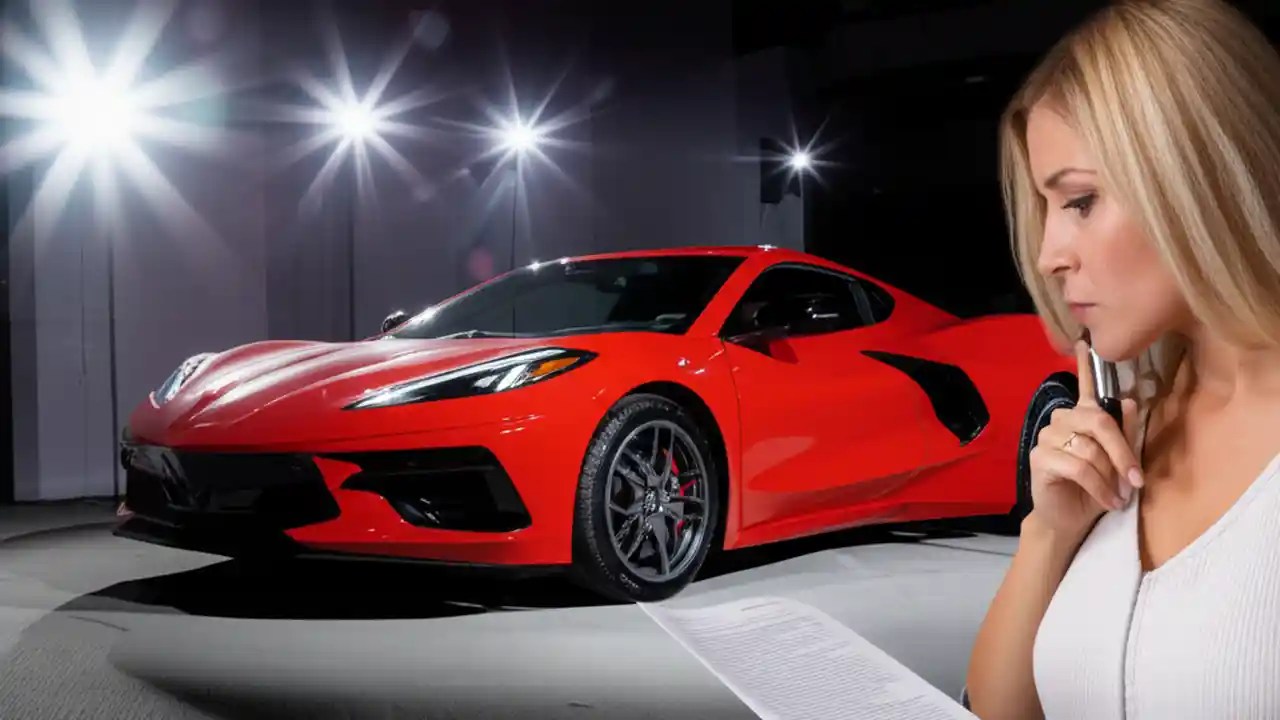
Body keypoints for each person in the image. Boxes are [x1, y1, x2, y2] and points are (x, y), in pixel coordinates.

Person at [964, 1, 1280, 718]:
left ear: (1199, 178)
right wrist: (1049, 534)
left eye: (1078, 201)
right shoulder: (1129, 420)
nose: (1048, 257)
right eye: (1046, 211)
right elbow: (998, 710)